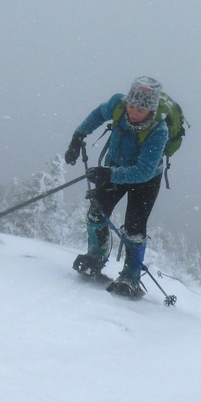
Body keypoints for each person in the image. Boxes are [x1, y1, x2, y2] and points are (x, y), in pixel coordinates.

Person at [64, 76, 168, 299]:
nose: (133, 112)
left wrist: (109, 173)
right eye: (131, 105)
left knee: (134, 229)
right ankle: (96, 255)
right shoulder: (118, 105)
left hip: (146, 180)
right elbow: (98, 115)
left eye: (140, 109)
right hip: (116, 165)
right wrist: (78, 135)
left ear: (150, 110)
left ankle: (130, 276)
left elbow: (143, 171)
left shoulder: (159, 130)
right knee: (96, 213)